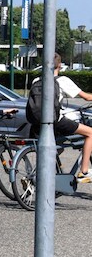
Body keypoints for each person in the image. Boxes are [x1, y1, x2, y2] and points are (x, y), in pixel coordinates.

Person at [26, 54, 92, 182]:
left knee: (57, 147)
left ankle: (37, 176)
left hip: (37, 121)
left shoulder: (36, 80)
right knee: (90, 133)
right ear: (60, 65)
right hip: (55, 120)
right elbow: (87, 97)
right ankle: (84, 171)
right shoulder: (63, 80)